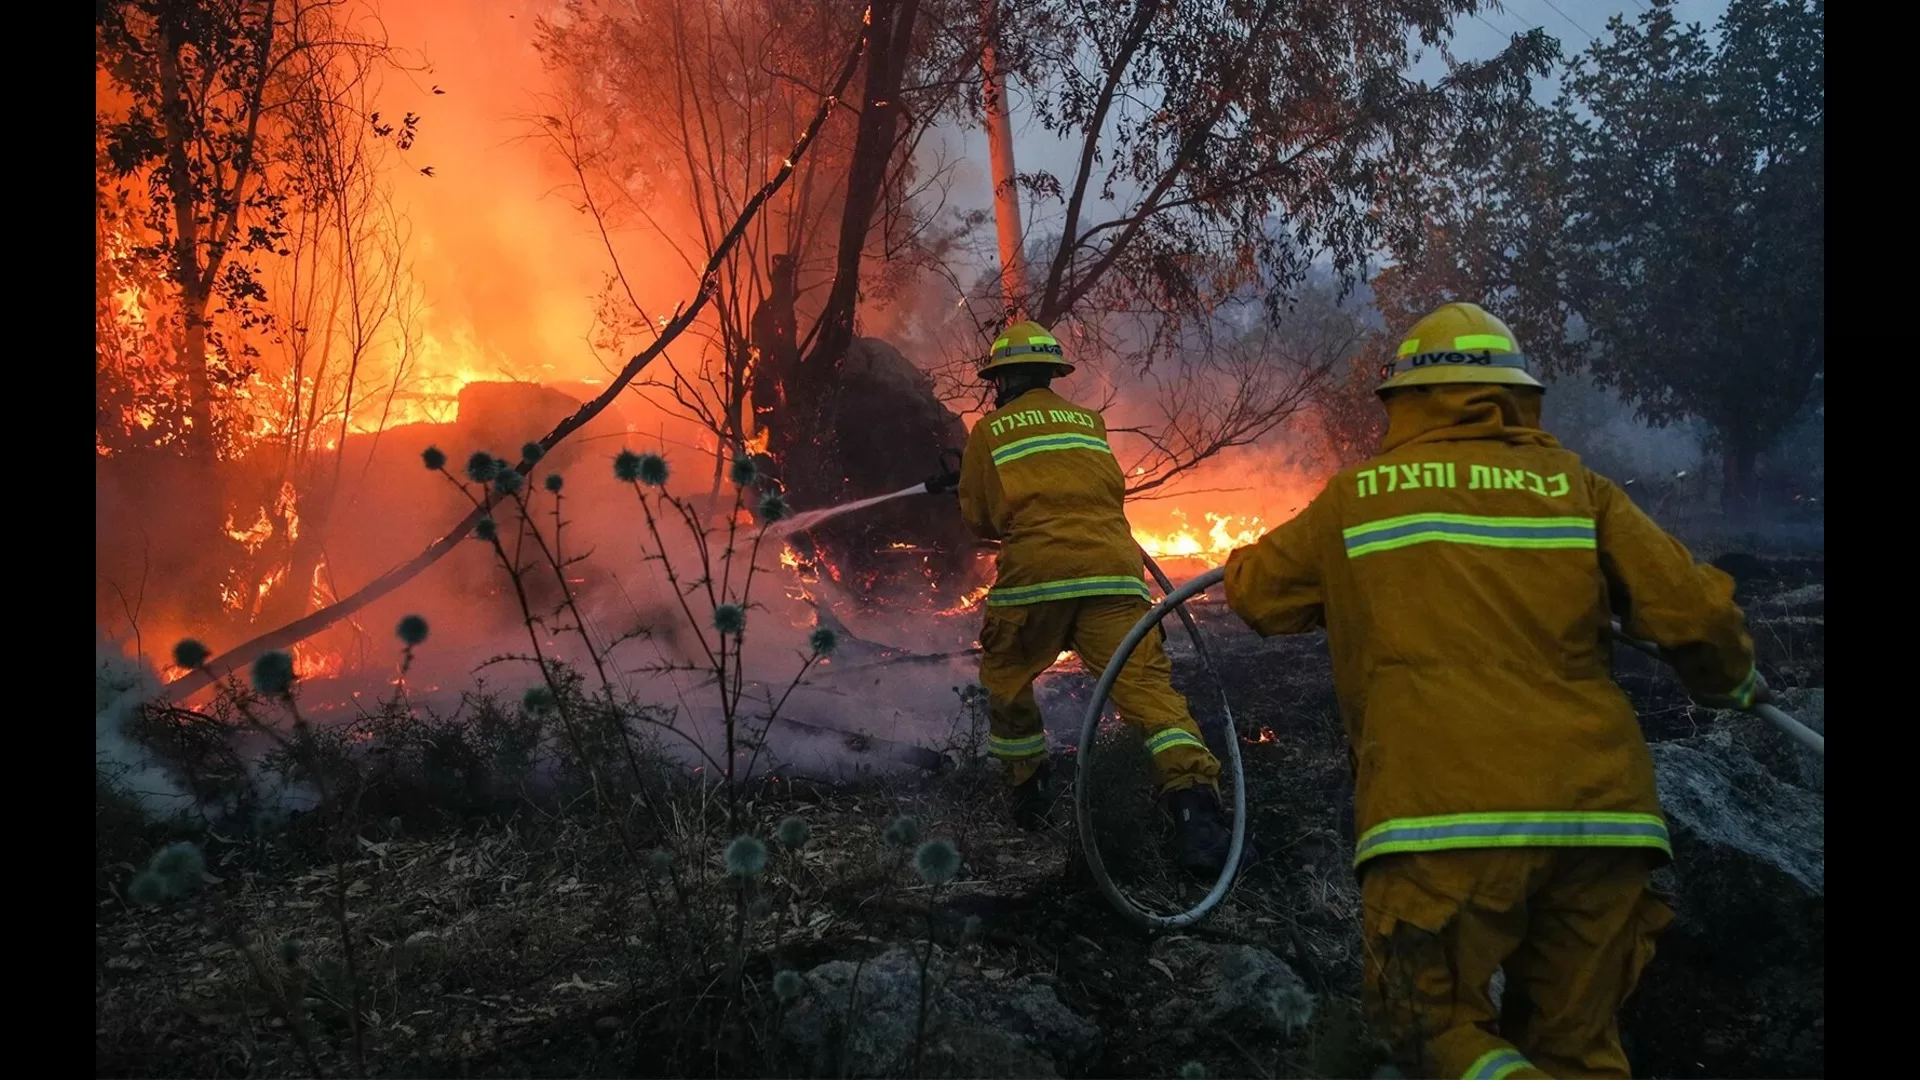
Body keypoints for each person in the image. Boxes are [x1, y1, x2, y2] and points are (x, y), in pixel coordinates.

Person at [1220, 302, 1769, 1078]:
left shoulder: (1359, 499)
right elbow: (1698, 616)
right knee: (1577, 1049)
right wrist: (1736, 682)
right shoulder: (1578, 489)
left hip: (1441, 826)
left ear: (1403, 402)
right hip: (1600, 822)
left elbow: (1257, 594)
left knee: (1428, 1029)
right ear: (1517, 396)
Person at [938, 319, 1231, 874]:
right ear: (1052, 373)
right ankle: (1196, 811)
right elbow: (1099, 493)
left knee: (1008, 676)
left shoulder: (991, 431)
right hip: (1114, 575)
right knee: (1147, 692)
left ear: (1000, 380)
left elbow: (978, 518)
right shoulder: (1088, 423)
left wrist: (975, 490)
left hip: (1037, 579)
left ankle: (1028, 794)